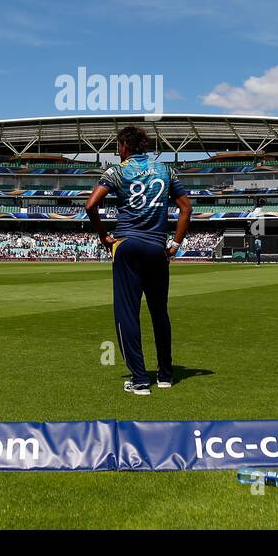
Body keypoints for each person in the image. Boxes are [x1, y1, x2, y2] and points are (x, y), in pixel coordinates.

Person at [85, 125, 192, 396]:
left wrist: (103, 237)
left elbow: (90, 205)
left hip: (127, 245)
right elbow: (185, 208)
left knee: (127, 314)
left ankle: (140, 380)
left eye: (118, 147)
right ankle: (166, 375)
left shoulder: (117, 170)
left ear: (124, 146)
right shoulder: (165, 170)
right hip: (157, 248)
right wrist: (175, 245)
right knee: (159, 312)